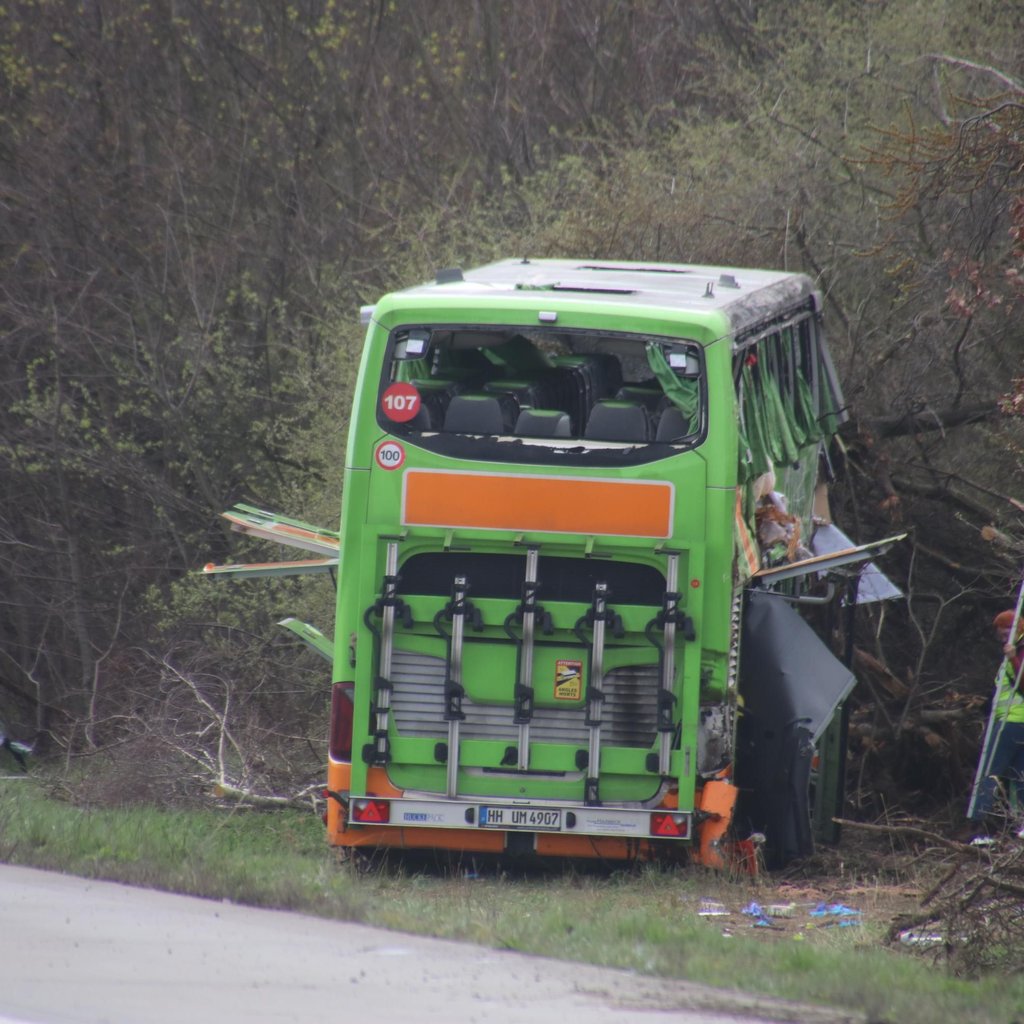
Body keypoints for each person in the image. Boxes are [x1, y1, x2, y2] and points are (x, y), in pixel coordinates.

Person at [971, 610, 1024, 830]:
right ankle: (1019, 826)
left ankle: (979, 825)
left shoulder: (1017, 653)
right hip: (1014, 724)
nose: (1000, 634)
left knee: (990, 772)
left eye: (1004, 629)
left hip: (1010, 724)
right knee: (1017, 777)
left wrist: (1012, 657)